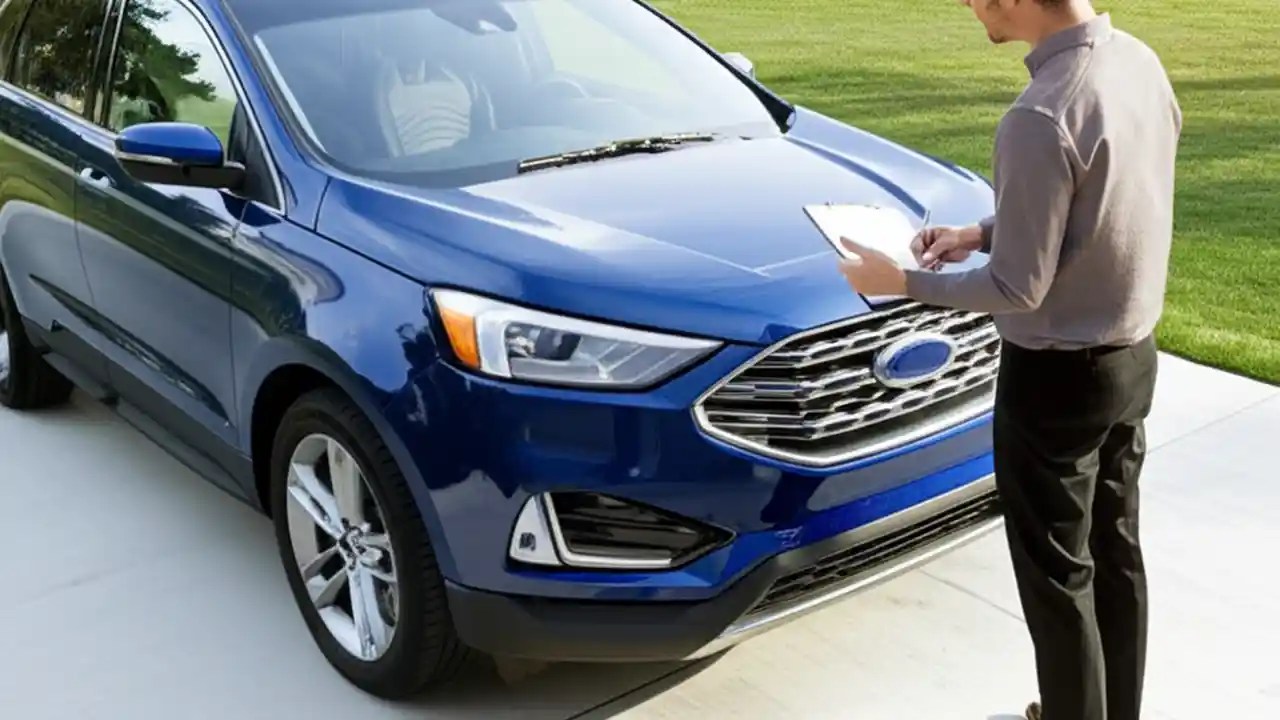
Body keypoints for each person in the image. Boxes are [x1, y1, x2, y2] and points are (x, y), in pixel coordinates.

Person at [835, 2, 1182, 719]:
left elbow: (1016, 289)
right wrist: (980, 231)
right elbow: (1097, 205)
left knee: (1057, 581)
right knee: (1116, 557)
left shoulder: (1040, 113)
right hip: (1132, 363)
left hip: (1055, 387)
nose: (968, 5)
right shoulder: (1139, 66)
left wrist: (899, 282)